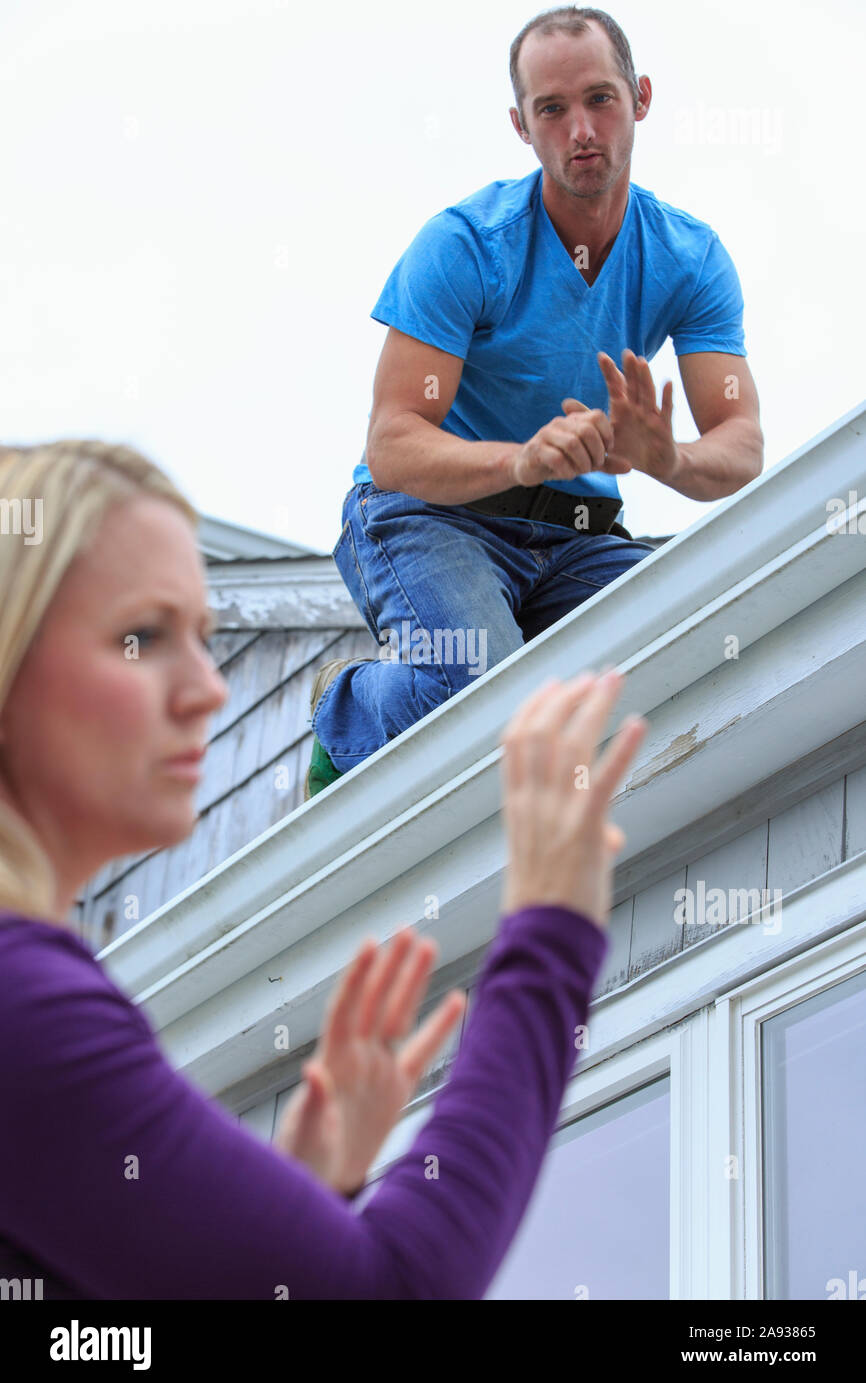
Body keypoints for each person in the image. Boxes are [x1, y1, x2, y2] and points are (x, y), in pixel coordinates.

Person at [0, 440, 647, 1299]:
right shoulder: (23, 1004)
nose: (208, 688)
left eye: (204, 638)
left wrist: (291, 1211)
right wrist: (550, 932)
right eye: (141, 636)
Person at [305, 4, 762, 798]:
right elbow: (393, 445)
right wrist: (522, 457)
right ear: (521, 125)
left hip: (581, 536)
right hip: (430, 517)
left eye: (600, 99)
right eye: (552, 109)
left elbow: (743, 443)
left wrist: (667, 459)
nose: (580, 128)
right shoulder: (463, 246)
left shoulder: (690, 258)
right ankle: (346, 705)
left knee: (708, 648)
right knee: (487, 703)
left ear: (641, 98)